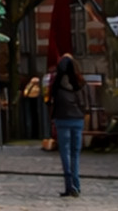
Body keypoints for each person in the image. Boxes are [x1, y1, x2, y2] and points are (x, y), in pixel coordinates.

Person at [49, 53, 85, 197]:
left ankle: (69, 185)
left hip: (62, 119)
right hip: (77, 119)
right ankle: (76, 184)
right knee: (75, 153)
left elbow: (51, 102)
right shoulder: (80, 82)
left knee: (65, 153)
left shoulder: (56, 84)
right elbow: (85, 102)